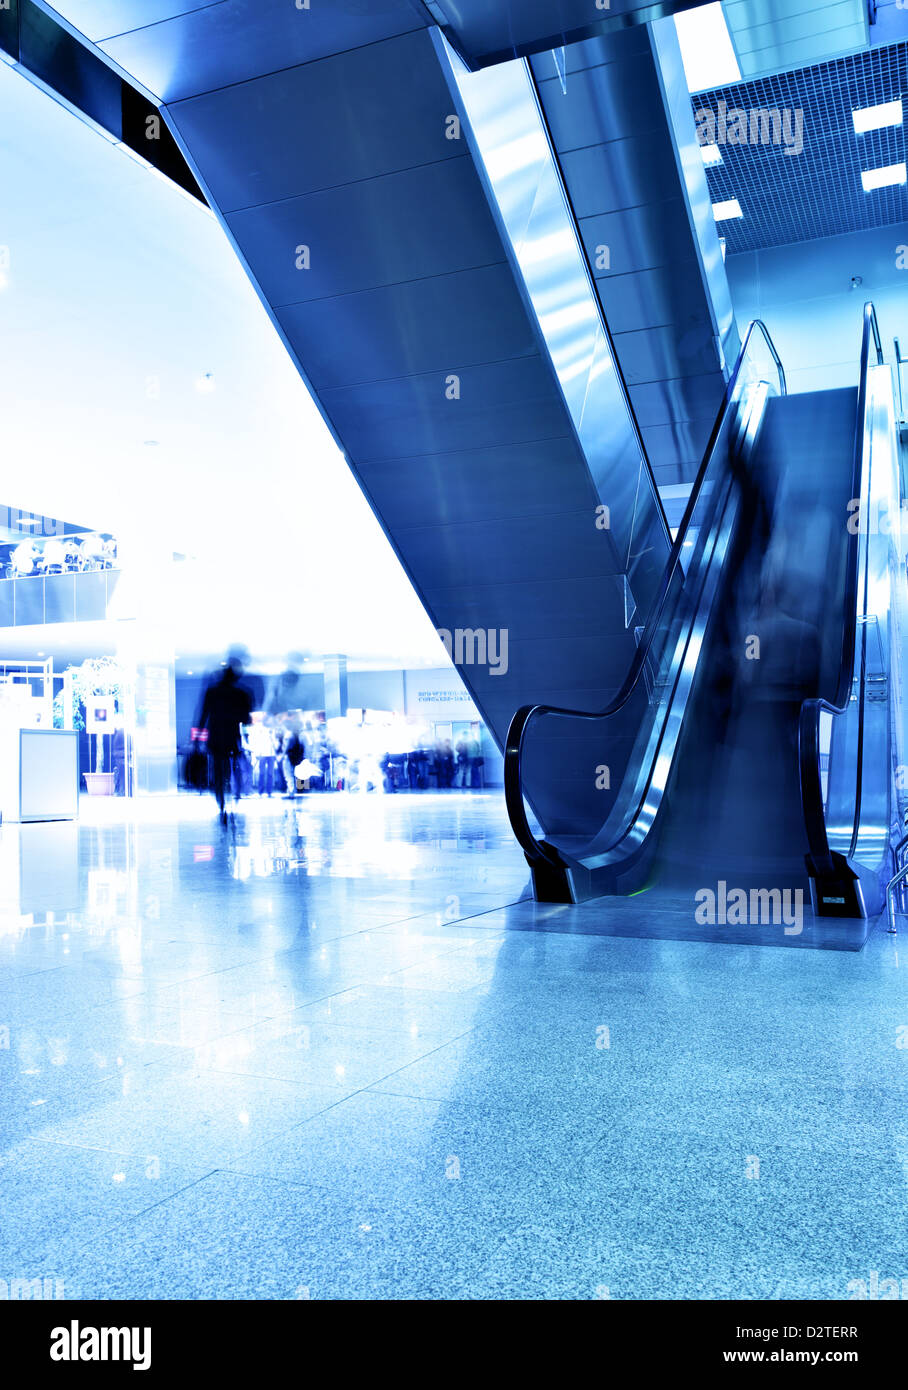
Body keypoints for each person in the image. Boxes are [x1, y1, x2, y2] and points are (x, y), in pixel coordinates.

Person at [197, 646, 255, 823]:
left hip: (215, 737)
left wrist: (196, 741)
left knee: (218, 771)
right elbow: (246, 719)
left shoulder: (212, 692)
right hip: (232, 737)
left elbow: (203, 716)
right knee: (234, 766)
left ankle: (221, 803)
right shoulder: (241, 694)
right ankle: (234, 799)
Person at [247, 716, 276, 796]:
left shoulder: (272, 730)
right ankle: (260, 791)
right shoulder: (259, 729)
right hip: (262, 754)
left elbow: (275, 741)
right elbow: (257, 742)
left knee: (270, 774)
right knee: (262, 773)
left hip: (271, 754)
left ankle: (269, 791)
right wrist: (257, 753)